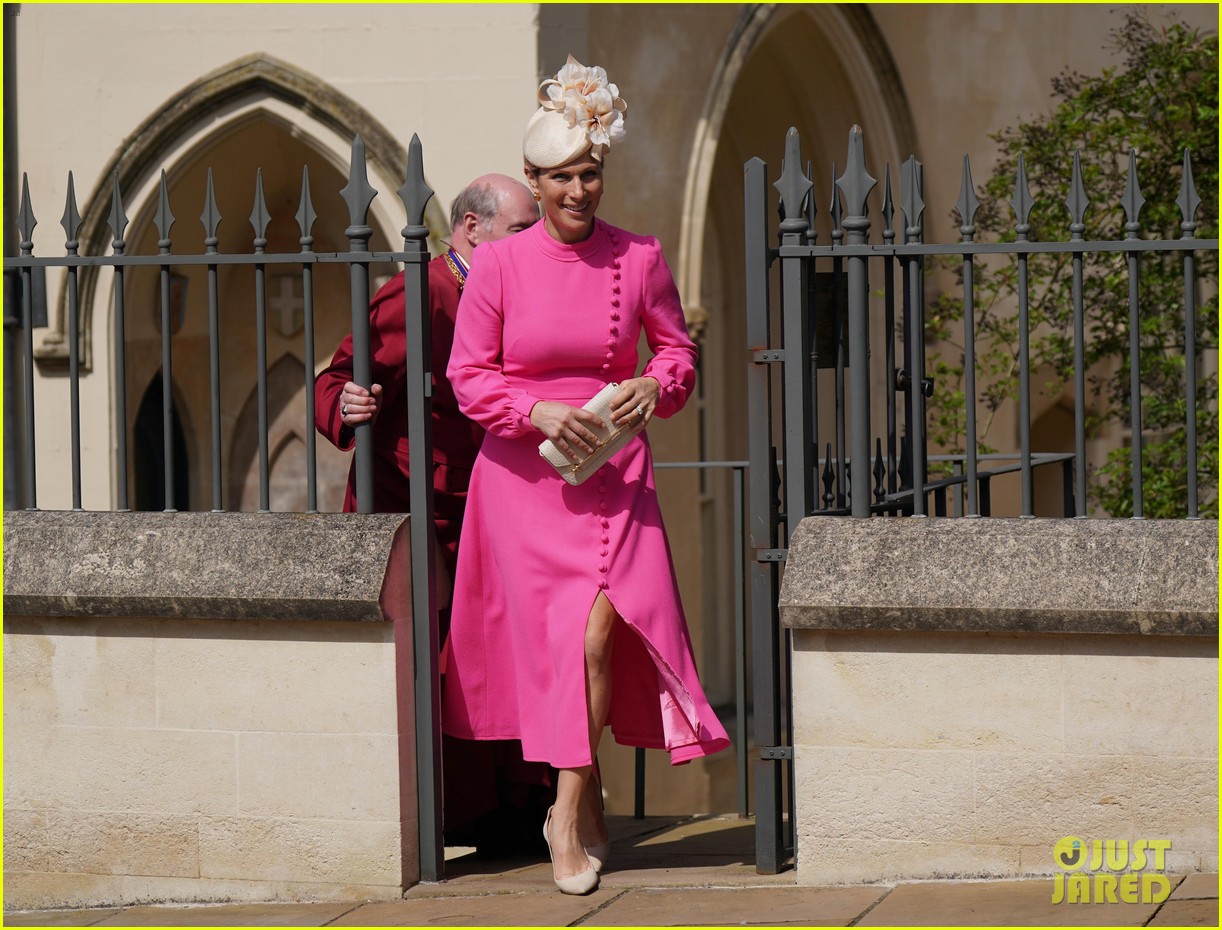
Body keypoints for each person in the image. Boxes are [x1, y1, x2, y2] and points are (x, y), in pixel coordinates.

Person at [442, 57, 731, 895]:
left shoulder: (639, 256)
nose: (579, 190)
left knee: (603, 636)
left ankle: (564, 811)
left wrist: (654, 381)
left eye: (590, 173)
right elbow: (470, 378)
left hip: (616, 475)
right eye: (562, 176)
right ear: (534, 180)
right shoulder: (496, 267)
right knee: (563, 650)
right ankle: (586, 789)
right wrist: (535, 413)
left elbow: (678, 352)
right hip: (525, 482)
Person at [314, 173, 553, 854]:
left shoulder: (515, 291)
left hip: (500, 506)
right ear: (471, 229)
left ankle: (522, 803)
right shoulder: (418, 291)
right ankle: (469, 814)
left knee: (513, 651)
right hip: (421, 511)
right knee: (448, 661)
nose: (534, 241)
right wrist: (347, 404)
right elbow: (338, 377)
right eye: (520, 228)